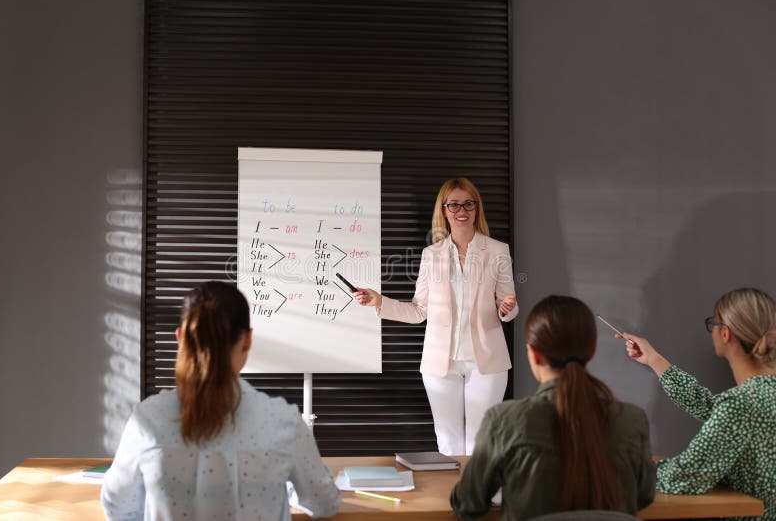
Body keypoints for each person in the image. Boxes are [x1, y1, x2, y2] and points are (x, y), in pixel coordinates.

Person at [101, 281, 340, 520]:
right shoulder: (283, 422)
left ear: (180, 337)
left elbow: (118, 507)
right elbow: (324, 504)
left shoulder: (147, 420)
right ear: (247, 340)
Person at [450, 295, 656, 520]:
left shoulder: (503, 421)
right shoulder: (633, 420)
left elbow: (467, 504)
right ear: (592, 351)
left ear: (534, 354)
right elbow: (643, 495)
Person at [354, 177, 518, 455]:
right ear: (443, 210)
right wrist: (379, 301)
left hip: (487, 362)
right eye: (453, 204)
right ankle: (452, 499)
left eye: (468, 203)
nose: (461, 210)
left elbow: (509, 306)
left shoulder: (498, 251)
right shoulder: (431, 255)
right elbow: (419, 311)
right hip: (440, 364)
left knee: (481, 444)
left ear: (477, 208)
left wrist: (507, 309)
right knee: (448, 444)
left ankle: (479, 498)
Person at [621, 287, 776, 520]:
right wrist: (654, 359)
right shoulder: (759, 396)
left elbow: (685, 477)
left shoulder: (741, 404)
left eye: (713, 324)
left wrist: (633, 468)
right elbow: (714, 410)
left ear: (725, 334)